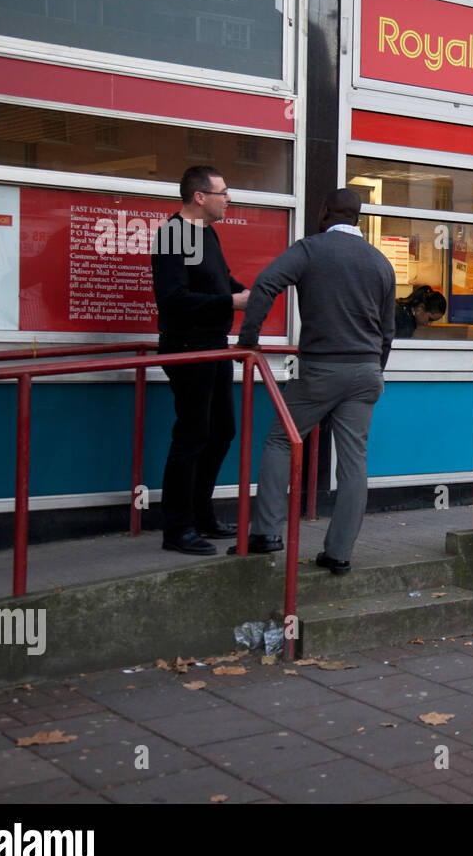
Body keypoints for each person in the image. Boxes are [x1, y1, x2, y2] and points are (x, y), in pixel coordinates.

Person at [235, 188, 396, 574]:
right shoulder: (380, 262)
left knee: (280, 440)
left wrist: (249, 340)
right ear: (358, 218)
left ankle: (266, 534)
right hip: (367, 371)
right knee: (354, 462)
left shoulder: (310, 249)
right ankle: (339, 555)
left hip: (322, 369)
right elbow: (388, 332)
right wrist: (375, 368)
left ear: (325, 211)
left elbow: (266, 284)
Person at [151, 165, 249, 556]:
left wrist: (250, 292)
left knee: (222, 429)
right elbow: (171, 298)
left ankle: (201, 514)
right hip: (187, 347)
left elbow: (219, 281)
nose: (229, 199)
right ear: (199, 197)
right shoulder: (174, 235)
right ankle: (177, 528)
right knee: (191, 435)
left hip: (214, 345)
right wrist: (230, 301)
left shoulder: (206, 232)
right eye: (223, 192)